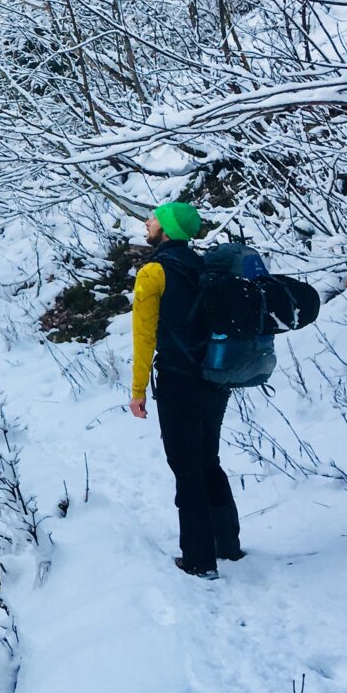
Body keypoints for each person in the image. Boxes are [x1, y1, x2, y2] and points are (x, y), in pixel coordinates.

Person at [128, 201, 243, 579]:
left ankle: (198, 559)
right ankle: (227, 544)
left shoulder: (152, 273)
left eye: (154, 219)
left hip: (179, 381)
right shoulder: (205, 266)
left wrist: (138, 389)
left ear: (167, 230)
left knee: (186, 466)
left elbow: (144, 337)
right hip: (214, 379)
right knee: (208, 457)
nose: (148, 223)